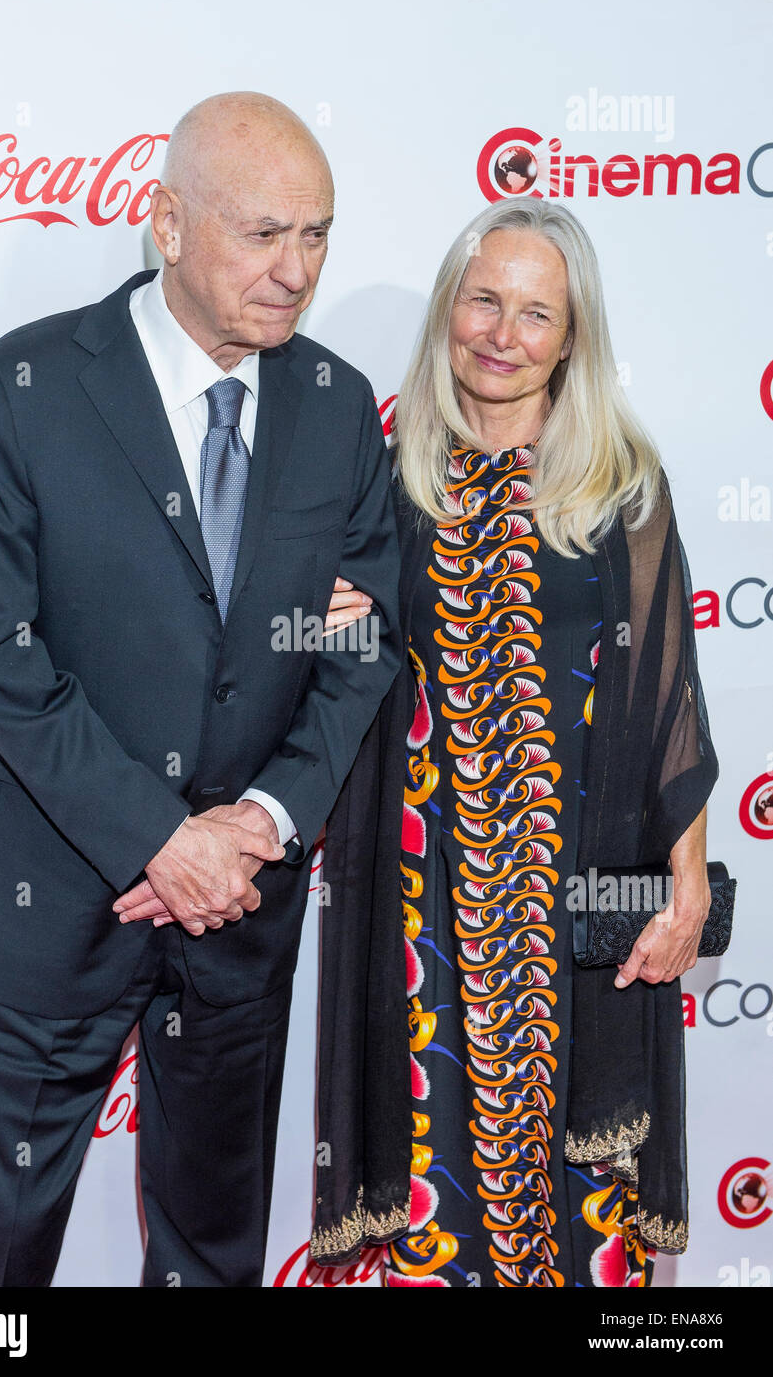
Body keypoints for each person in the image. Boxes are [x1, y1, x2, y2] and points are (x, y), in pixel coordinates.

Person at [0, 91, 401, 1288]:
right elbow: (0, 657)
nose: (295, 271)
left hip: (241, 912)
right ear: (168, 224)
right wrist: (159, 839)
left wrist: (258, 824)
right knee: (1, 1252)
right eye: (263, 234)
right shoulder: (20, 387)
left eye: (318, 234)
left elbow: (361, 645)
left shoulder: (340, 406)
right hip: (52, 904)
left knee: (214, 1251)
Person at [311, 197, 719, 1288]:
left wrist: (685, 887)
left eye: (536, 312)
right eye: (483, 298)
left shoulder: (622, 486)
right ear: (451, 307)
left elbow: (670, 694)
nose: (502, 331)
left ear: (574, 337)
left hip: (581, 893)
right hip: (426, 892)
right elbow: (347, 665)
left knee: (584, 1189)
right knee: (433, 1154)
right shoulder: (389, 484)